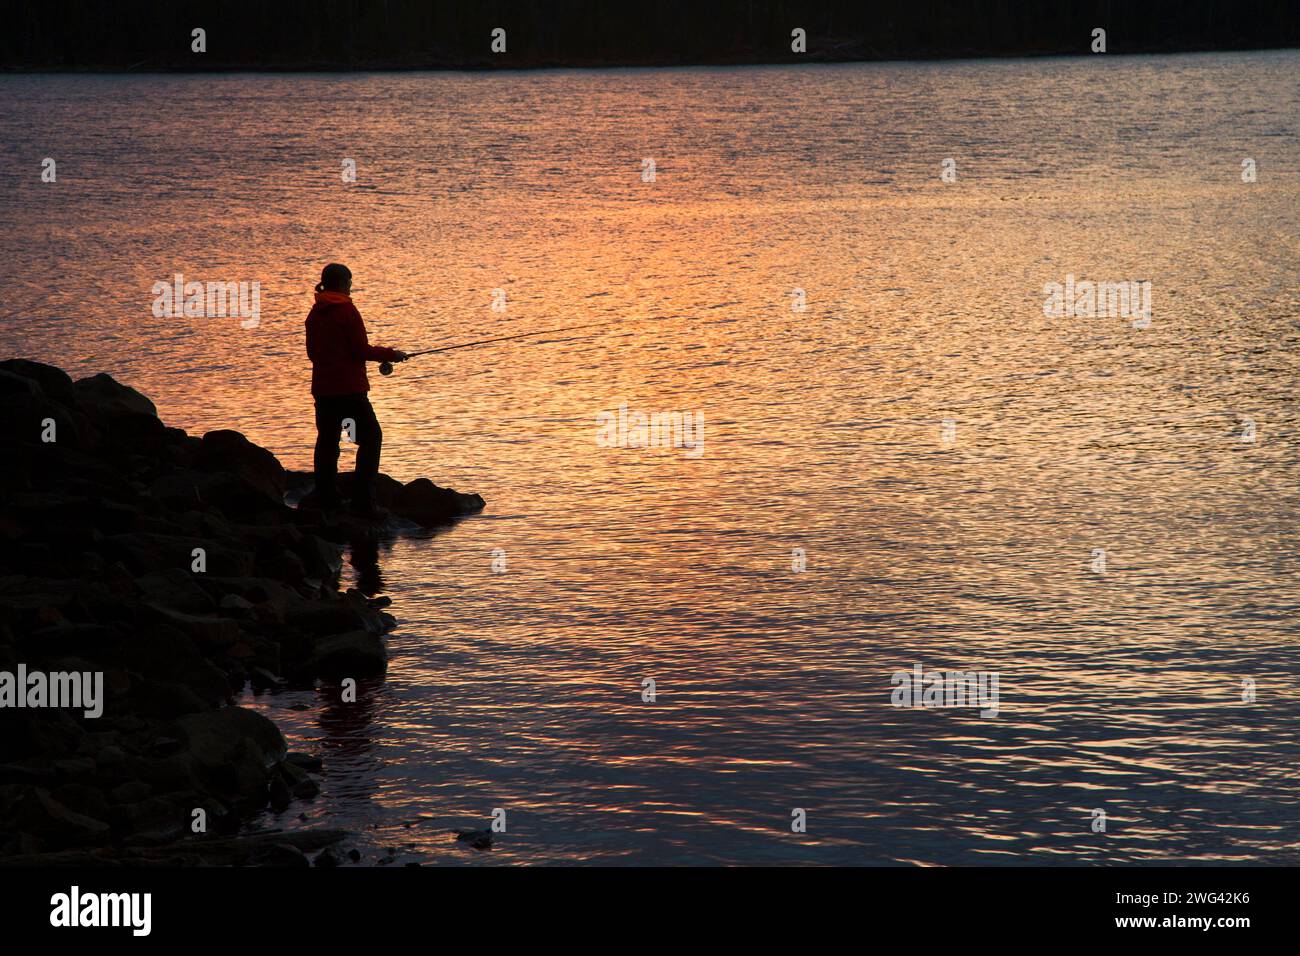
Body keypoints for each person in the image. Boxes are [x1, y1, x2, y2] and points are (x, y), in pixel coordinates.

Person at [305, 263, 407, 517]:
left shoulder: (315, 313)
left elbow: (311, 354)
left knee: (327, 443)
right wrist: (392, 354)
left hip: (323, 391)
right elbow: (362, 350)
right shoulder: (347, 312)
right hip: (350, 392)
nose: (351, 285)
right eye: (350, 281)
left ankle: (327, 498)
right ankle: (363, 501)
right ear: (342, 283)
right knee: (371, 438)